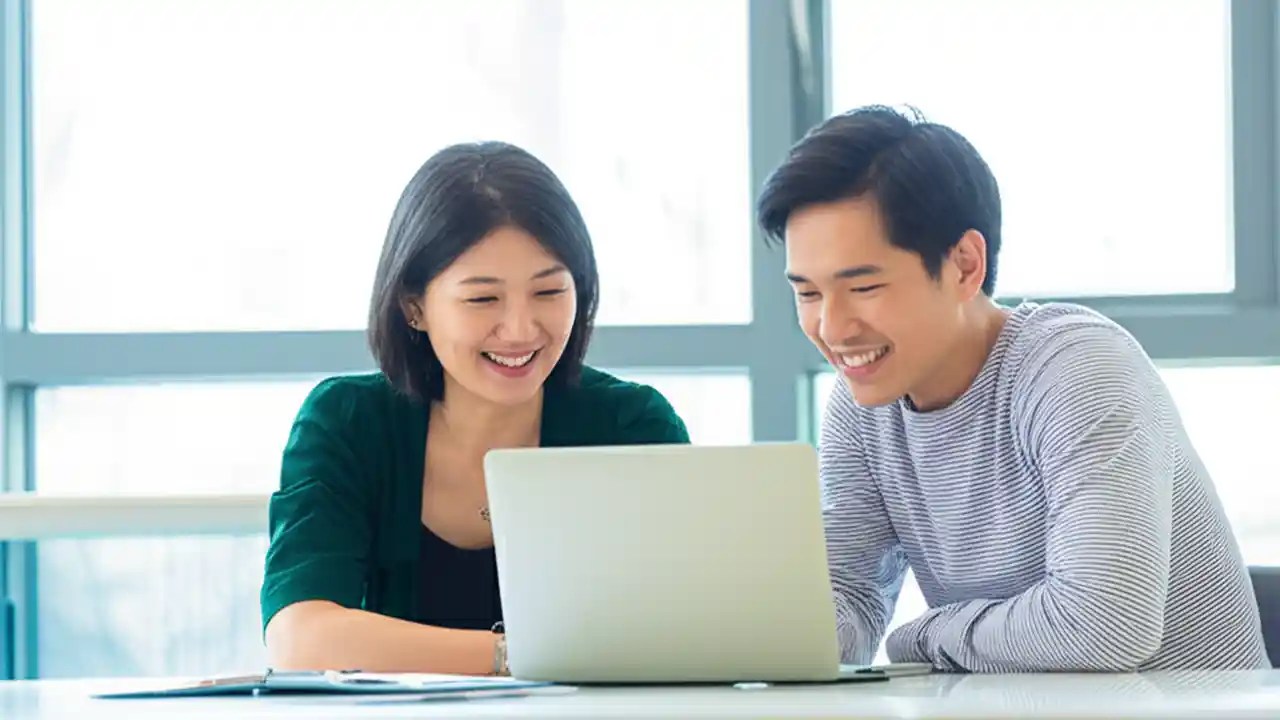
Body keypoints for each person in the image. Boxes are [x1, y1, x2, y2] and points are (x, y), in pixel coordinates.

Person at [756, 105, 1268, 672]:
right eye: (807, 294)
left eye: (865, 286)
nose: (831, 328)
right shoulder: (861, 411)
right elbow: (847, 604)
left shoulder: (1076, 368)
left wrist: (921, 637)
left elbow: (1104, 625)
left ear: (964, 265)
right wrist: (744, 624)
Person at [260, 141, 690, 676]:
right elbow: (300, 638)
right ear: (413, 305)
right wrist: (515, 656)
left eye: (549, 292)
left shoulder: (631, 426)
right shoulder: (348, 422)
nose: (519, 329)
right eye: (483, 299)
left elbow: (677, 630)